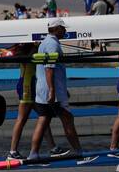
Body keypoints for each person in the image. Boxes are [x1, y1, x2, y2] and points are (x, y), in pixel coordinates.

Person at [28, 18, 83, 161]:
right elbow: (49, 69)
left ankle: (33, 153)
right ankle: (79, 152)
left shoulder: (44, 43)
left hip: (43, 88)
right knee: (68, 119)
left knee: (43, 120)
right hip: (51, 91)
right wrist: (53, 90)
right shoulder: (52, 44)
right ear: (57, 29)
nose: (65, 31)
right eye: (63, 29)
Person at [6, 43, 55, 160]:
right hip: (27, 86)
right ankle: (12, 151)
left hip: (31, 84)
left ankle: (53, 147)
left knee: (43, 116)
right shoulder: (27, 48)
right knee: (22, 119)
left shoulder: (30, 47)